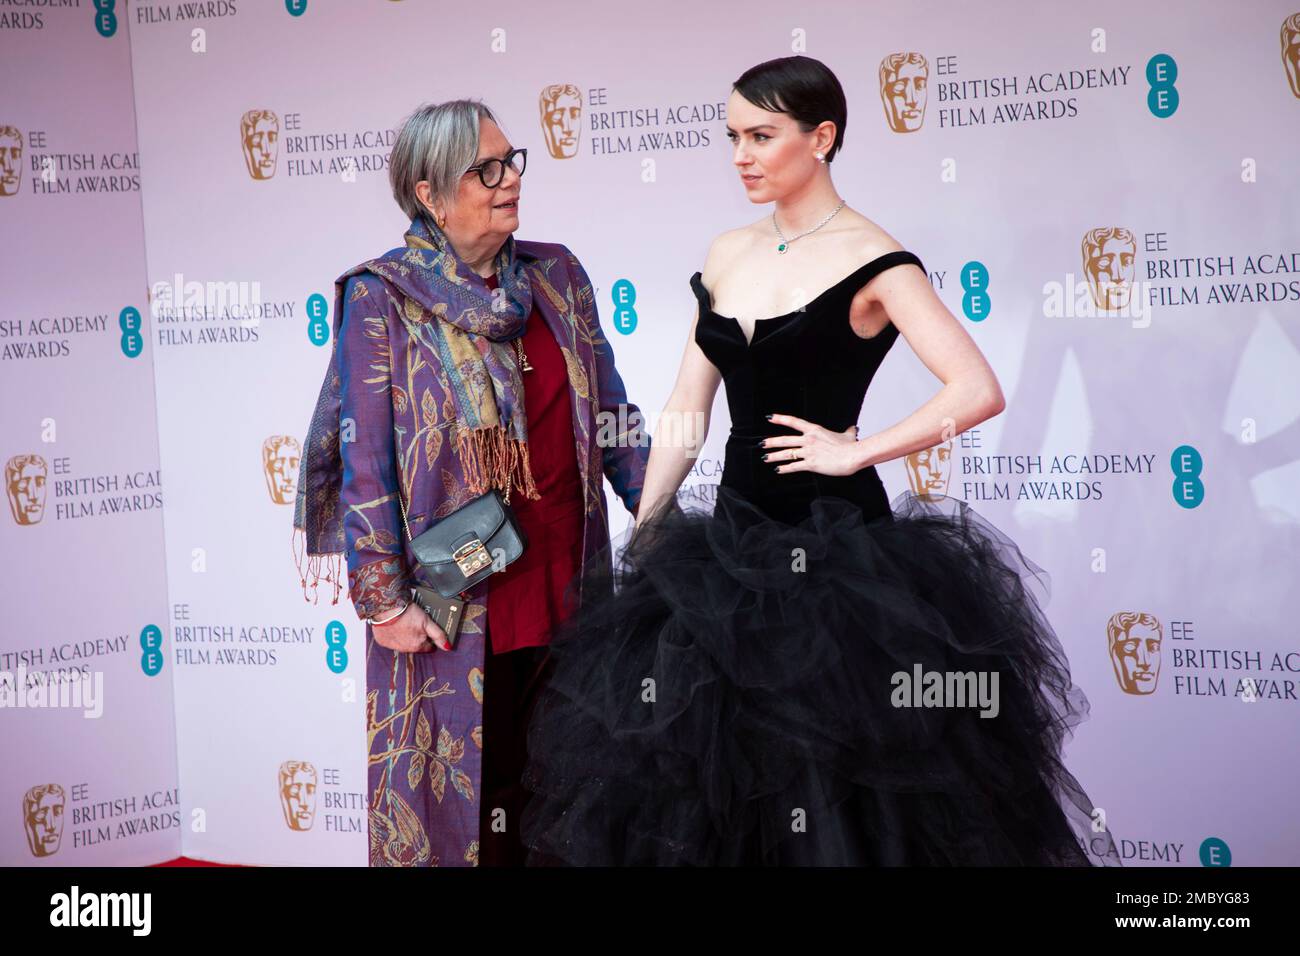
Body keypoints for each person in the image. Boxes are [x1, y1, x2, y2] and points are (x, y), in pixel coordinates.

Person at [519, 57, 1122, 866]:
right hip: (723, 555)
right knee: (707, 795)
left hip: (840, 565)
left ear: (823, 137)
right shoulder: (728, 252)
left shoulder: (877, 259)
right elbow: (686, 408)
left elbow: (976, 388)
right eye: (733, 136)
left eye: (763, 136)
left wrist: (859, 449)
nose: (742, 154)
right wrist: (652, 528)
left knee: (841, 789)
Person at [292, 99, 649, 867]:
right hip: (449, 610)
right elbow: (365, 461)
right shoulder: (382, 297)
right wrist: (382, 601)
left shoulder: (557, 275)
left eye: (511, 160)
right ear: (430, 194)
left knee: (573, 812)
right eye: (485, 170)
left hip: (573, 594)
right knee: (466, 820)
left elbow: (614, 413)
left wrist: (665, 518)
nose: (508, 180)